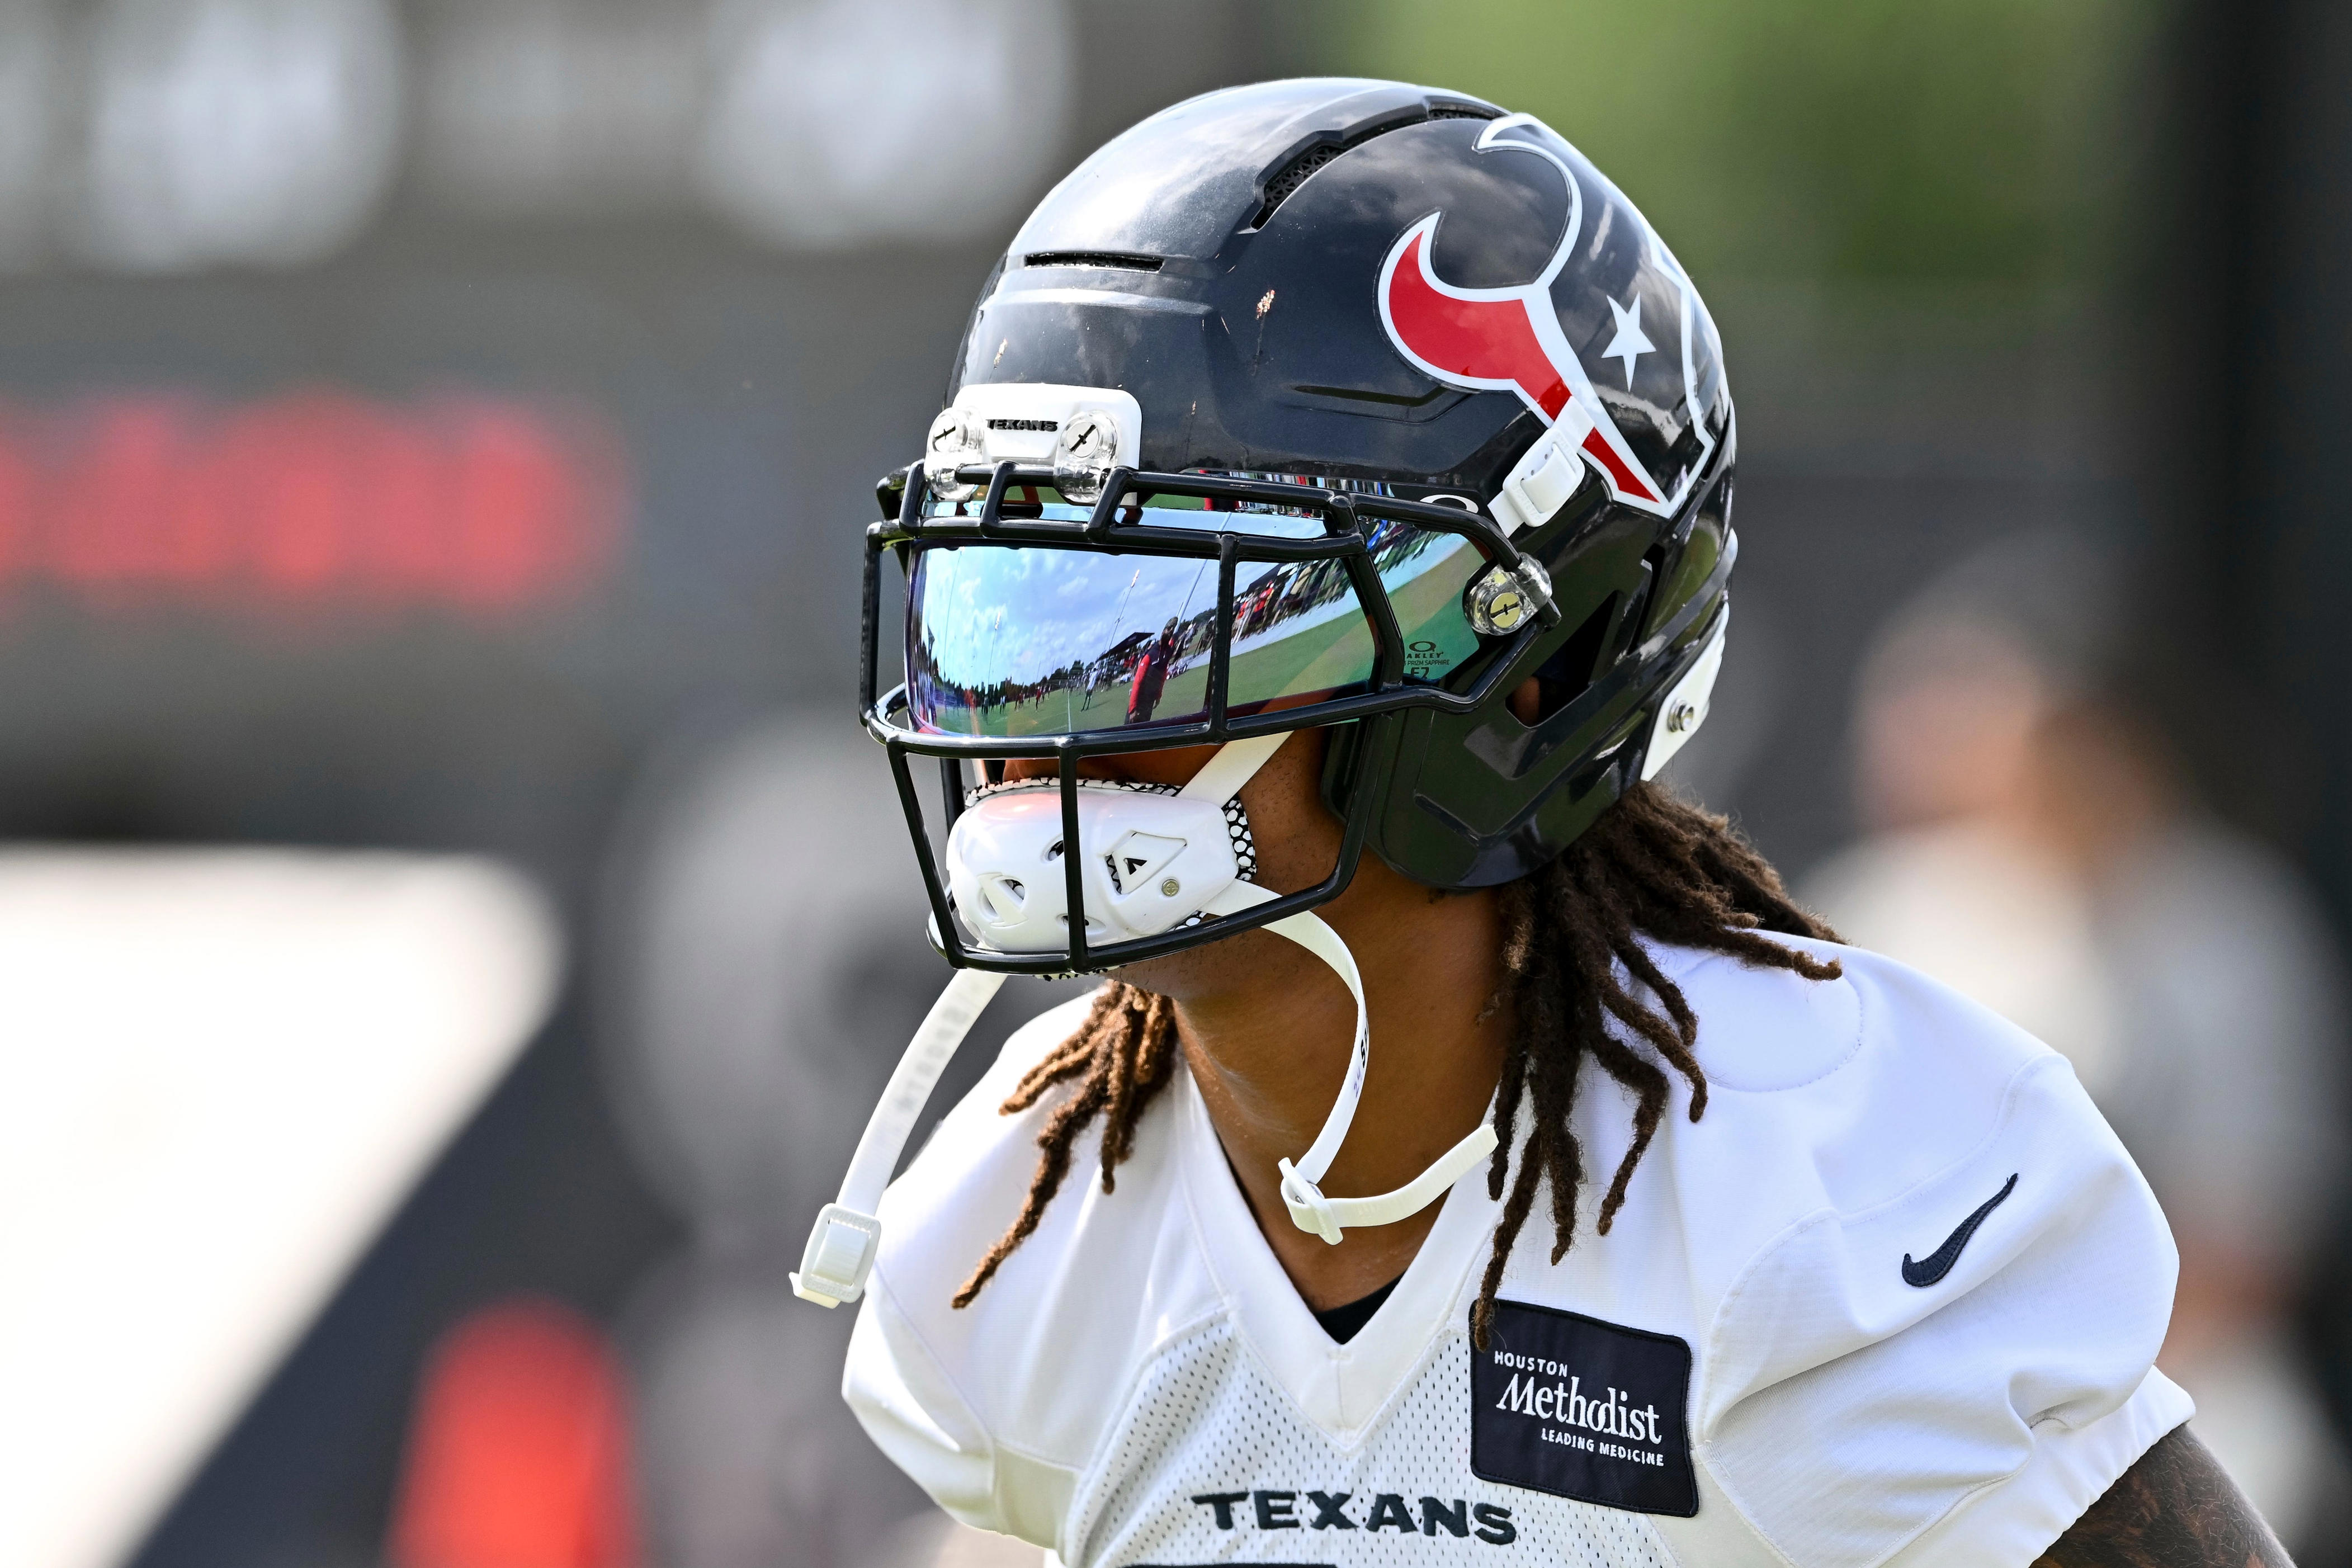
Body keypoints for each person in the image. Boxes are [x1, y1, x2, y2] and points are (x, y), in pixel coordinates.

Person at [794, 81, 2290, 1566]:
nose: (1038, 733)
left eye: (1160, 629)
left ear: (1532, 670)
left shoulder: (1806, 1197)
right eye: (1007, 612)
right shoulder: (1018, 1228)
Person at [1806, 536, 2349, 1551]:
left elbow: (2248, 1241)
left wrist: (2045, 1398)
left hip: (2174, 1389)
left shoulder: (2228, 926)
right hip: (1903, 1384)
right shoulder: (1883, 909)